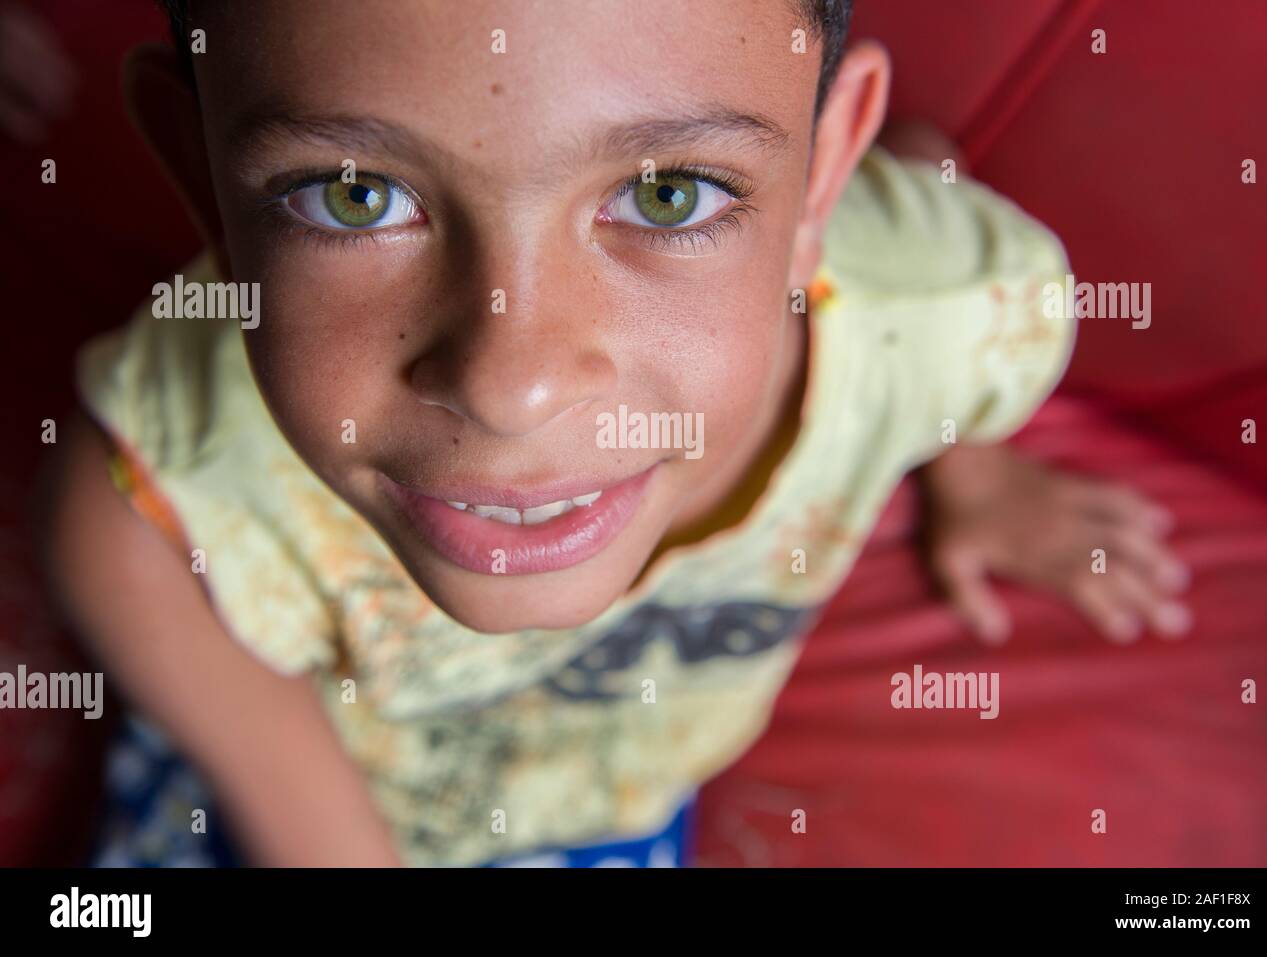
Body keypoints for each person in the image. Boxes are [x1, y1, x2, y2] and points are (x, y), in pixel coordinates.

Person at [42, 0, 1189, 866]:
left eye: (668, 195)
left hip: (612, 801)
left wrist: (970, 468)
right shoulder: (182, 481)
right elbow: (117, 525)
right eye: (353, 196)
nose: (509, 388)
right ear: (202, 184)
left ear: (824, 176)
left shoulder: (949, 314)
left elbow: (948, 273)